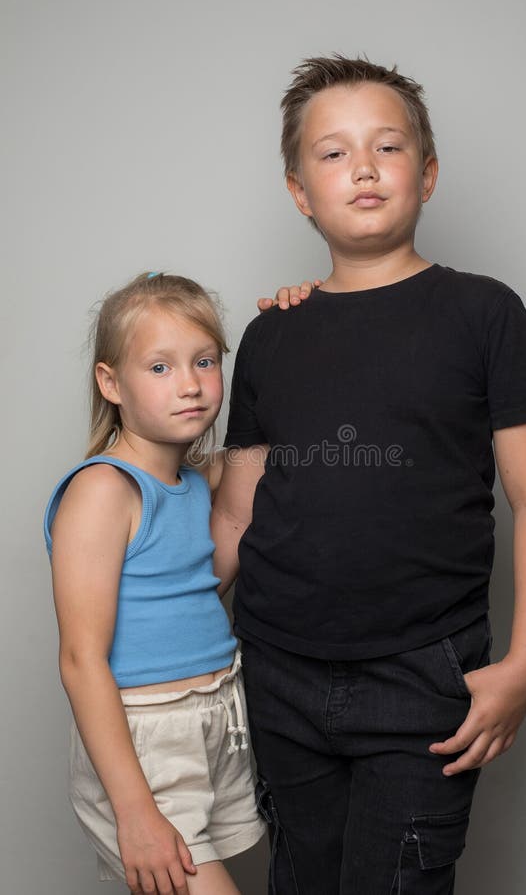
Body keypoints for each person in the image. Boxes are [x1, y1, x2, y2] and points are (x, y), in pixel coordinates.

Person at [211, 56, 526, 894]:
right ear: (300, 192)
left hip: (424, 672)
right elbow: (236, 514)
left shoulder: (485, 312)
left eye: (388, 146)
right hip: (277, 667)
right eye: (332, 154)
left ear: (429, 173)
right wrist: (158, 611)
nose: (364, 167)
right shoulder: (271, 335)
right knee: (300, 876)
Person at [43, 271, 304, 895]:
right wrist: (134, 812)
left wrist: (298, 319)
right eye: (159, 368)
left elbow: (259, 457)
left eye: (205, 361)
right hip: (144, 740)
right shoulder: (104, 490)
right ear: (111, 383)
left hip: (218, 717)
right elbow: (81, 659)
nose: (190, 385)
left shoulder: (193, 479)